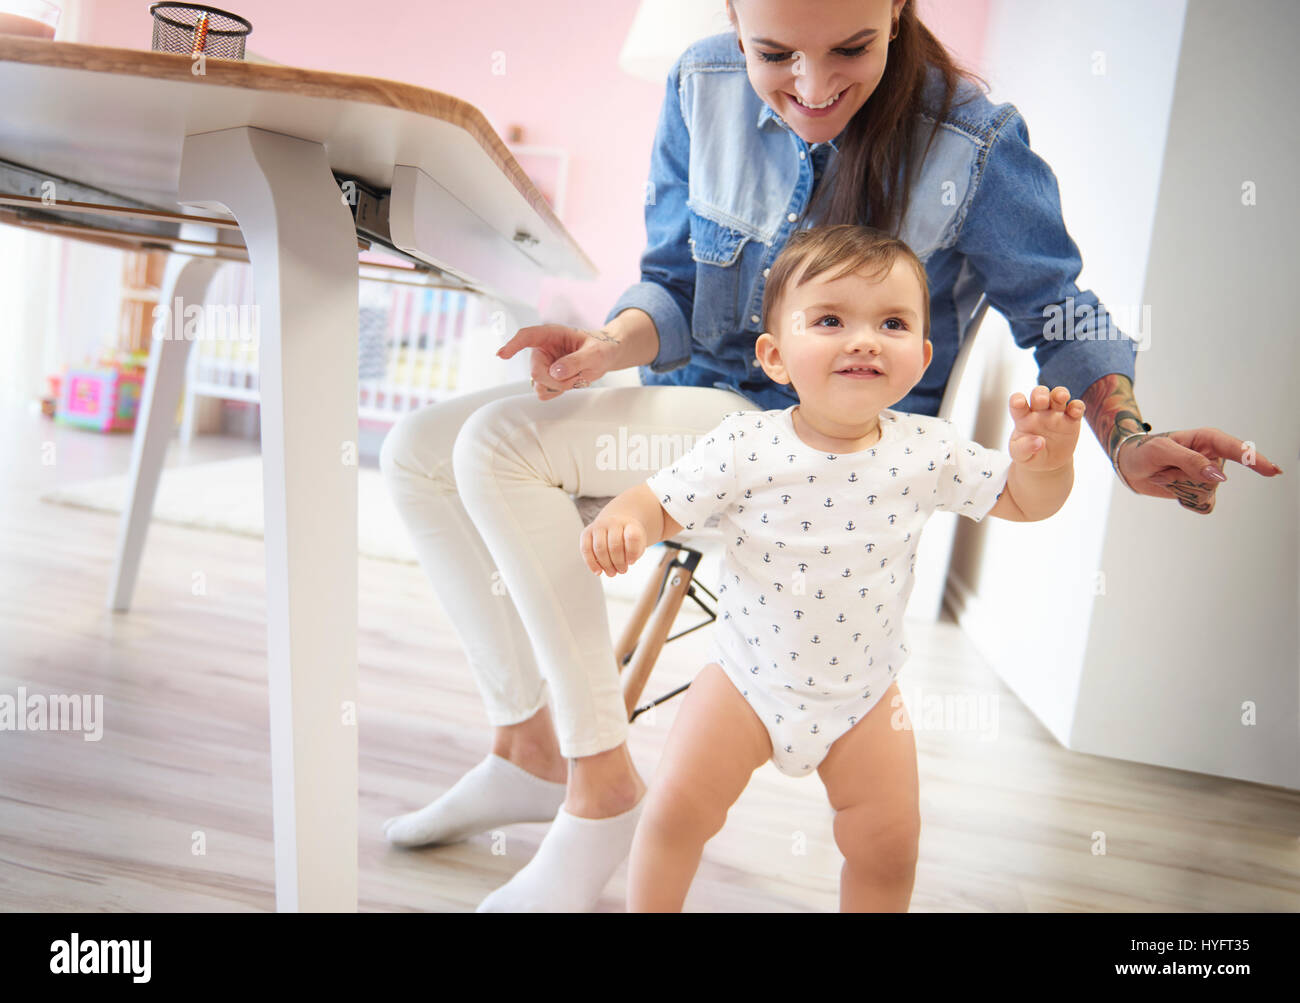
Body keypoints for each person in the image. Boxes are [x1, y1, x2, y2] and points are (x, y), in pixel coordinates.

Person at [378, 0, 1282, 913]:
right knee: (417, 449)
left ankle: (597, 785)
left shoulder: (970, 140)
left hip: (821, 443)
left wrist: (1124, 435)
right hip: (702, 397)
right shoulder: (702, 83)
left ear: (895, 8)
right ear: (733, 20)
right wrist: (612, 343)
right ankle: (526, 746)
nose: (813, 89)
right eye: (774, 54)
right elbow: (675, 282)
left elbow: (1059, 309)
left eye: (850, 48)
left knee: (497, 445)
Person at [583, 222, 1082, 911]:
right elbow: (660, 502)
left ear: (923, 354)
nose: (864, 338)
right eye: (829, 319)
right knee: (674, 815)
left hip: (865, 697)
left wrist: (1049, 464)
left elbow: (1025, 501)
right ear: (776, 355)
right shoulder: (745, 443)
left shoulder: (929, 450)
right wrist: (627, 519)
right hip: (744, 680)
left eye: (893, 322)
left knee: (887, 849)